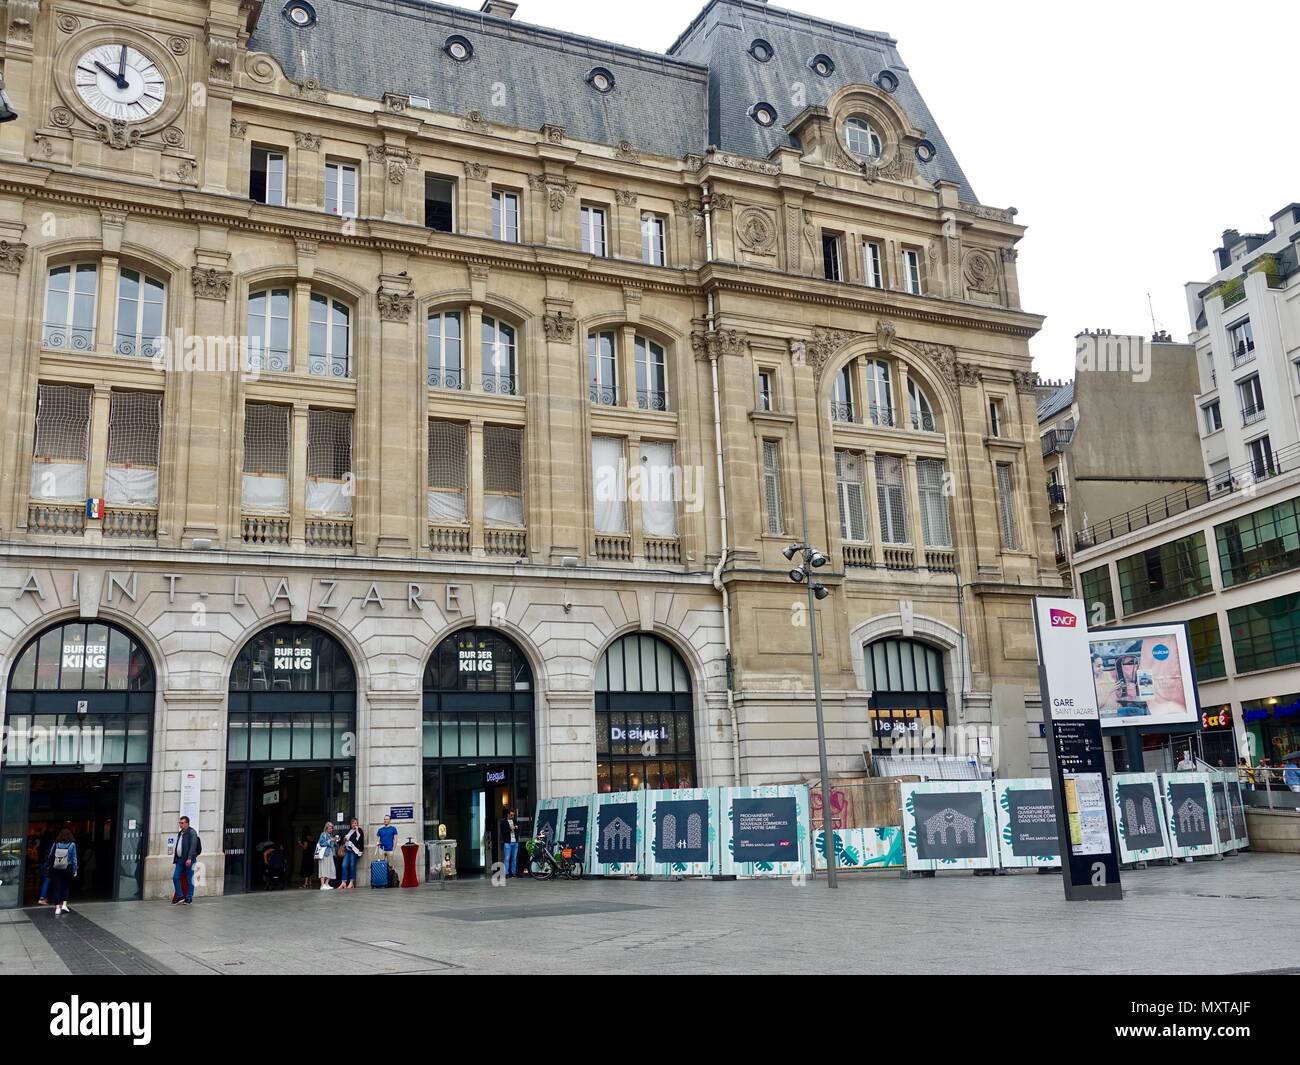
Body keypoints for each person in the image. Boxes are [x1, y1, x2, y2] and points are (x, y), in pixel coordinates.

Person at [46, 828, 78, 916]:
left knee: (57, 887)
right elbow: (74, 859)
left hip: (56, 868)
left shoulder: (56, 844)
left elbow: (50, 855)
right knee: (66, 886)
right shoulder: (72, 844)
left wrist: (49, 865)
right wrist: (75, 870)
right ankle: (64, 905)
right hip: (67, 868)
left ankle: (57, 908)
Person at [173, 815, 202, 906]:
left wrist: (189, 858)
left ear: (187, 823)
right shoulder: (180, 833)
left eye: (182, 823)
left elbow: (193, 846)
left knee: (190, 879)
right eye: (179, 823)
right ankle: (180, 896)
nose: (180, 825)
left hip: (189, 860)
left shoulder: (192, 832)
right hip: (180, 860)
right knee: (175, 877)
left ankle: (189, 897)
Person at [341, 819, 365, 890]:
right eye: (353, 823)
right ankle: (344, 882)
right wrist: (345, 839)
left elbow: (359, 839)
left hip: (354, 851)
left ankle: (351, 882)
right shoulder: (349, 831)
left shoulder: (359, 830)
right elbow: (345, 840)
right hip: (347, 851)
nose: (354, 824)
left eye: (355, 823)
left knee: (352, 866)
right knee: (344, 865)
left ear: (357, 824)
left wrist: (357, 830)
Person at [316, 822, 338, 890]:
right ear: (326, 828)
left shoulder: (330, 835)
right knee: (323, 869)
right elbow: (321, 843)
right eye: (330, 828)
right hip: (324, 854)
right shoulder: (323, 834)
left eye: (332, 828)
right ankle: (322, 885)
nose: (331, 829)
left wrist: (335, 841)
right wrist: (329, 841)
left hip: (330, 854)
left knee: (331, 869)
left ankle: (326, 884)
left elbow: (333, 846)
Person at [499, 810, 520, 879]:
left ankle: (513, 873)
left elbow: (518, 829)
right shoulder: (503, 822)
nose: (512, 816)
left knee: (514, 858)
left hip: (515, 842)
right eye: (511, 815)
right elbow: (504, 832)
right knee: (507, 858)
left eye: (513, 815)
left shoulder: (515, 821)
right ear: (507, 815)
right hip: (508, 842)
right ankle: (506, 873)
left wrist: (515, 828)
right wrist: (511, 829)